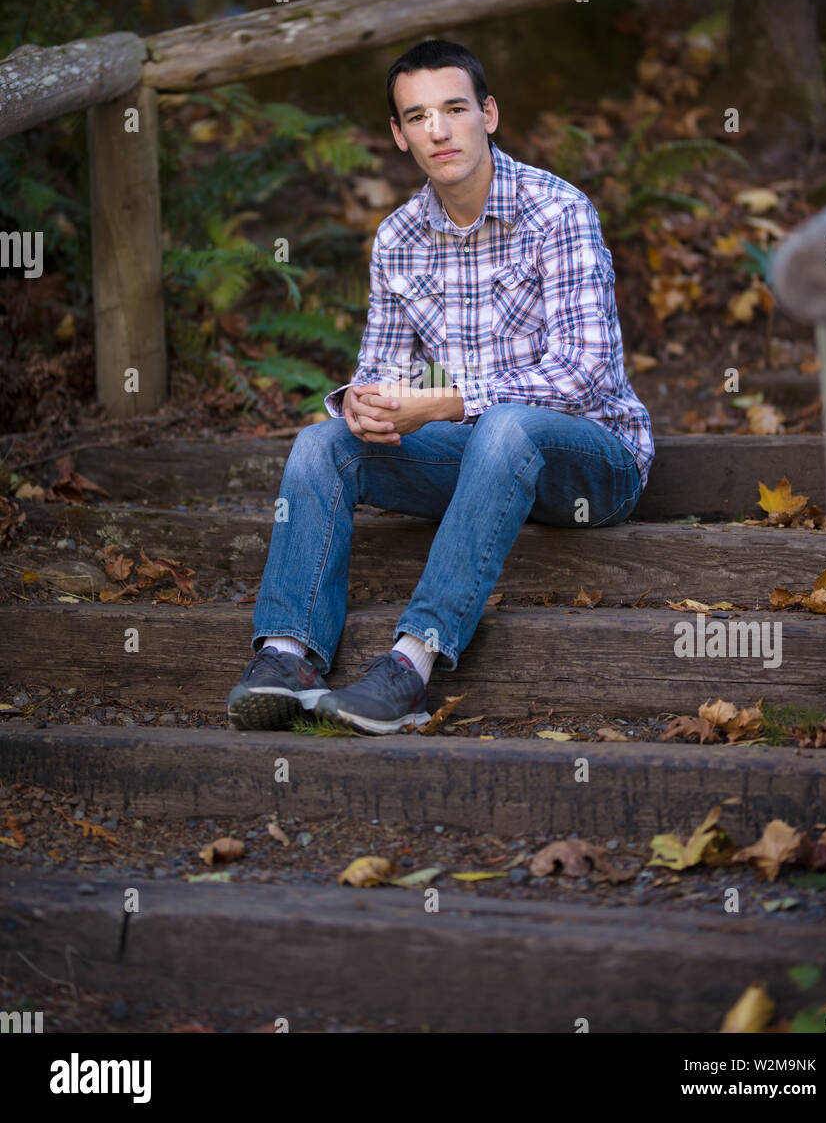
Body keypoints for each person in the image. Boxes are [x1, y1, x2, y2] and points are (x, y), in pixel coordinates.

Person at [227, 38, 654, 735]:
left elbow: (586, 373)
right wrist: (367, 403)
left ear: (487, 114)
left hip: (593, 465)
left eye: (454, 108)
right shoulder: (397, 239)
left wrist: (448, 402)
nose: (439, 129)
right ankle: (288, 658)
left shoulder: (558, 211)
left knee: (504, 424)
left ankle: (409, 664)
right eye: (418, 116)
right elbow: (387, 372)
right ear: (400, 135)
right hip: (483, 463)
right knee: (322, 444)